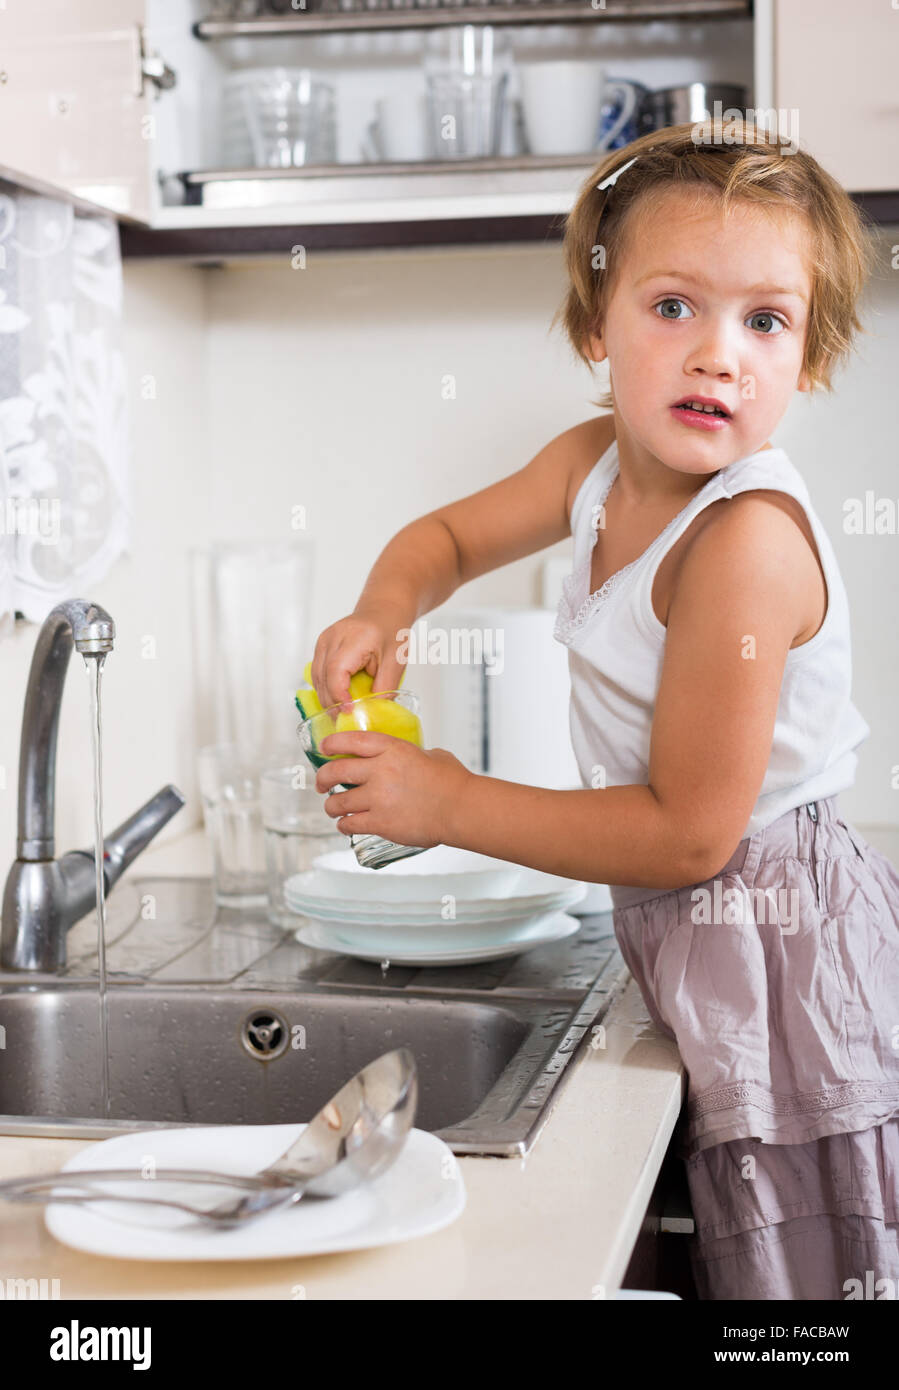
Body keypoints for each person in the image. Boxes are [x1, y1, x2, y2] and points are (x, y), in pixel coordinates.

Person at [308, 121, 899, 1300]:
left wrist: (449, 802)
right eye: (672, 306)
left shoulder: (740, 543)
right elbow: (447, 539)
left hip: (781, 948)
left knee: (797, 1275)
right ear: (595, 324)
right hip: (703, 929)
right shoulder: (590, 466)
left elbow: (690, 833)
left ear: (807, 362)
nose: (716, 356)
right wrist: (386, 605)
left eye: (763, 322)